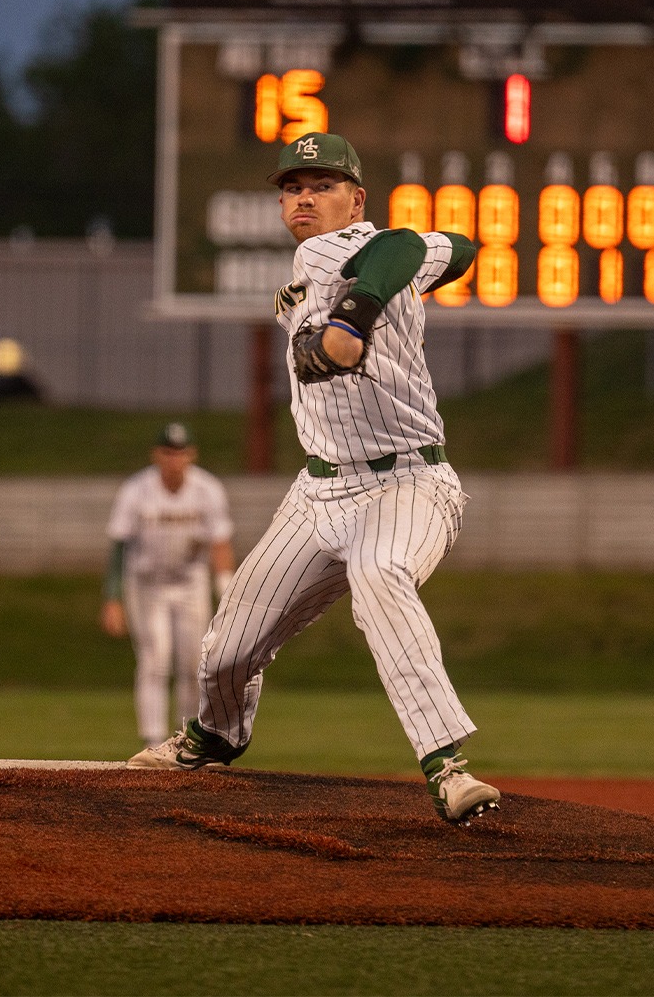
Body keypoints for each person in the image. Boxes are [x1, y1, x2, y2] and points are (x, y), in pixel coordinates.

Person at [128, 132, 500, 825]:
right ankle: (213, 736)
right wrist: (378, 289)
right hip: (319, 491)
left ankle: (446, 764)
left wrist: (355, 316)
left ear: (356, 201)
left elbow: (406, 247)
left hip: (408, 485)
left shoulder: (337, 248)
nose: (303, 197)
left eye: (322, 185)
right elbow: (454, 247)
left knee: (381, 574)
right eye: (293, 188)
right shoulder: (369, 256)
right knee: (226, 648)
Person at [102, 422, 236, 753]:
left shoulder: (207, 490)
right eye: (167, 452)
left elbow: (220, 542)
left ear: (191, 455)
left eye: (180, 453)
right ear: (156, 455)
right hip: (147, 583)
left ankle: (186, 736)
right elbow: (119, 543)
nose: (174, 460)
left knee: (193, 662)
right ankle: (151, 739)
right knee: (155, 658)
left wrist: (226, 588)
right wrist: (112, 598)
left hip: (190, 581)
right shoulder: (137, 490)